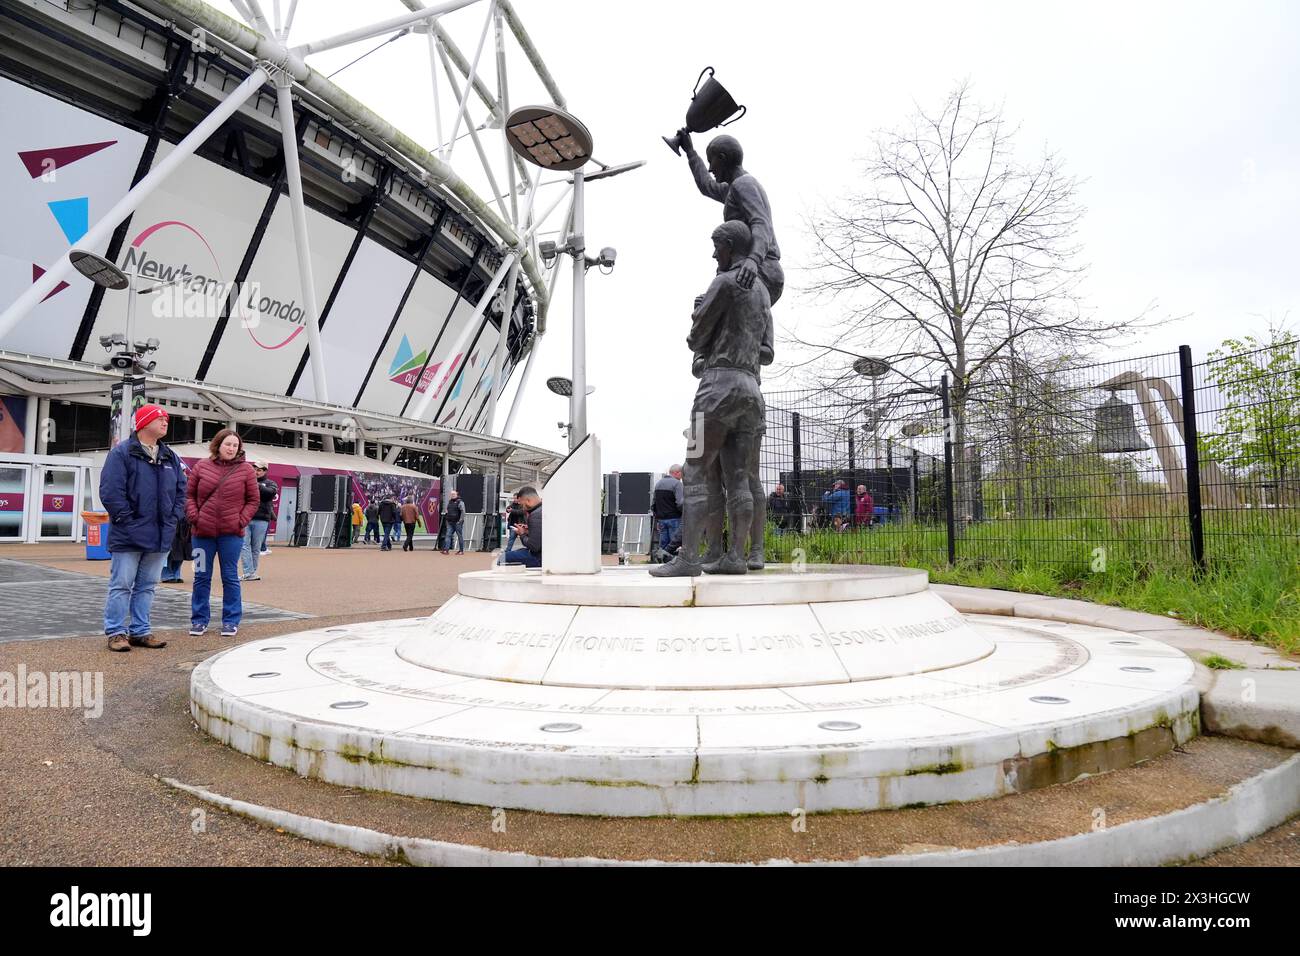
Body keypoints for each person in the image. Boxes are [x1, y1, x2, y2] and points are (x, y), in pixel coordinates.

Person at [652, 221, 768, 577]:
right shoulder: (762, 292)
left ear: (730, 247)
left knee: (695, 468)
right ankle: (736, 557)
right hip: (751, 392)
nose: (714, 253)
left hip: (717, 388)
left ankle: (688, 559)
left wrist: (698, 312)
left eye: (717, 246)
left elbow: (696, 338)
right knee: (739, 476)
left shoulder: (723, 282)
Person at [99, 404, 187, 651]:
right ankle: (116, 632)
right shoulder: (122, 453)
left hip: (161, 533)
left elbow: (182, 491)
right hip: (128, 533)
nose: (165, 422)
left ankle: (140, 630)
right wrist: (127, 519)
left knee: (148, 585)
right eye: (160, 418)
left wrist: (173, 518)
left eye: (166, 419)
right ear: (144, 422)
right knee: (122, 584)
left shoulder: (170, 456)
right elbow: (110, 491)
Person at [186, 428, 258, 637]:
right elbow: (189, 495)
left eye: (235, 445)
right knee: (200, 576)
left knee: (230, 577)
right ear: (218, 444)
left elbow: (253, 500)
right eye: (228, 444)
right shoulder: (201, 467)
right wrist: (194, 516)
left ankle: (231, 620)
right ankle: (199, 620)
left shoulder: (246, 470)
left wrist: (240, 521)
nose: (231, 448)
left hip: (231, 535)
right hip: (201, 534)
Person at [240, 461, 276, 581]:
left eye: (259, 469)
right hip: (246, 517)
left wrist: (257, 485)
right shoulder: (246, 482)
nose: (256, 471)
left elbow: (270, 494)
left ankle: (252, 572)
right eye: (254, 469)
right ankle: (248, 572)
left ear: (265, 471)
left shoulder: (270, 483)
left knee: (256, 547)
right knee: (244, 545)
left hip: (262, 519)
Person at [503, 486, 542, 567]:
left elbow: (534, 547)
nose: (522, 508)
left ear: (528, 500)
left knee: (503, 558)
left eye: (522, 505)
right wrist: (528, 530)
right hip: (545, 554)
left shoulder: (535, 515)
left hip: (539, 557)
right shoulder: (543, 509)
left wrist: (522, 534)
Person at [652, 465, 684, 559]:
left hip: (661, 520)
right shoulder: (677, 484)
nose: (682, 476)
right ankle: (673, 563)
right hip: (674, 519)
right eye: (681, 473)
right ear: (676, 473)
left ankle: (661, 562)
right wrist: (684, 514)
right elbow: (680, 503)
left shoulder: (658, 484)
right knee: (674, 544)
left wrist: (657, 519)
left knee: (663, 544)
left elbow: (654, 504)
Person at [160, 515, 191, 583]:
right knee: (169, 554)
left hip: (183, 525)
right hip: (170, 524)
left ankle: (176, 574)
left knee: (181, 554)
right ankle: (166, 575)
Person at [440, 489, 465, 554]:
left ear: (457, 494)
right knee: (448, 535)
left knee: (459, 536)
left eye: (454, 494)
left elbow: (463, 512)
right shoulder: (450, 502)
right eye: (451, 494)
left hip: (457, 523)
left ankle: (461, 551)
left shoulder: (460, 502)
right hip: (450, 522)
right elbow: (447, 510)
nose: (452, 495)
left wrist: (460, 520)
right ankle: (446, 550)